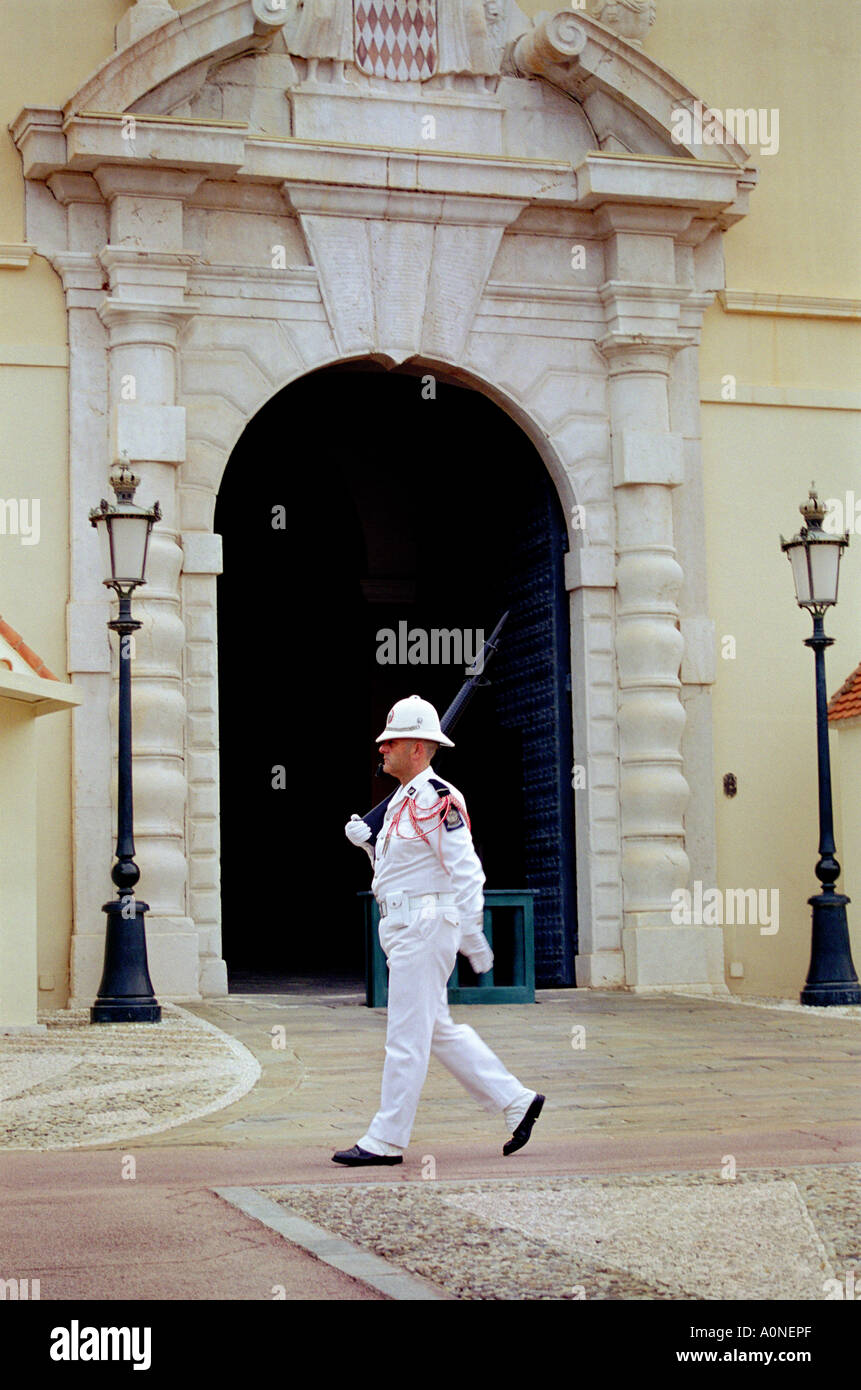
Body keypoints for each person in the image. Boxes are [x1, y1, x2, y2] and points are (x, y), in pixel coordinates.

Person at [335, 694, 544, 1166]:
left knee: (405, 1035)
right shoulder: (398, 805)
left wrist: (473, 936)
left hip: (426, 925)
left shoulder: (438, 798)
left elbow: (466, 872)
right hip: (404, 924)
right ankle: (516, 1101)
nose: (382, 749)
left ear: (417, 749)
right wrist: (367, 847)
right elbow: (399, 870)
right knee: (435, 1030)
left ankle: (386, 1139)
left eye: (392, 742)